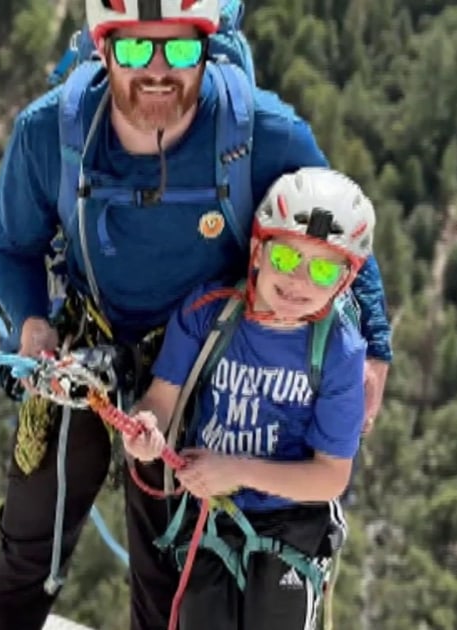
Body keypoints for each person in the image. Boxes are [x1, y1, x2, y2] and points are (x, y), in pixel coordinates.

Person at [0, 2, 392, 629]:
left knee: (171, 575)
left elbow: (341, 231)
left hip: (204, 365)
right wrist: (33, 324)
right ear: (104, 50)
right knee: (31, 550)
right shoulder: (51, 130)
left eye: (180, 51)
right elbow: (11, 245)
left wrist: (374, 347)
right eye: (137, 50)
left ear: (207, 49)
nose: (159, 70)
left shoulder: (261, 130)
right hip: (86, 348)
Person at [122, 166, 374, 630]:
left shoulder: (339, 351)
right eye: (284, 259)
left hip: (290, 522)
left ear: (344, 281)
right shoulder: (207, 313)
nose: (299, 281)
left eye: (322, 268)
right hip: (209, 516)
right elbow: (160, 402)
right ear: (258, 250)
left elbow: (330, 477)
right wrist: (146, 432)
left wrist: (233, 470)